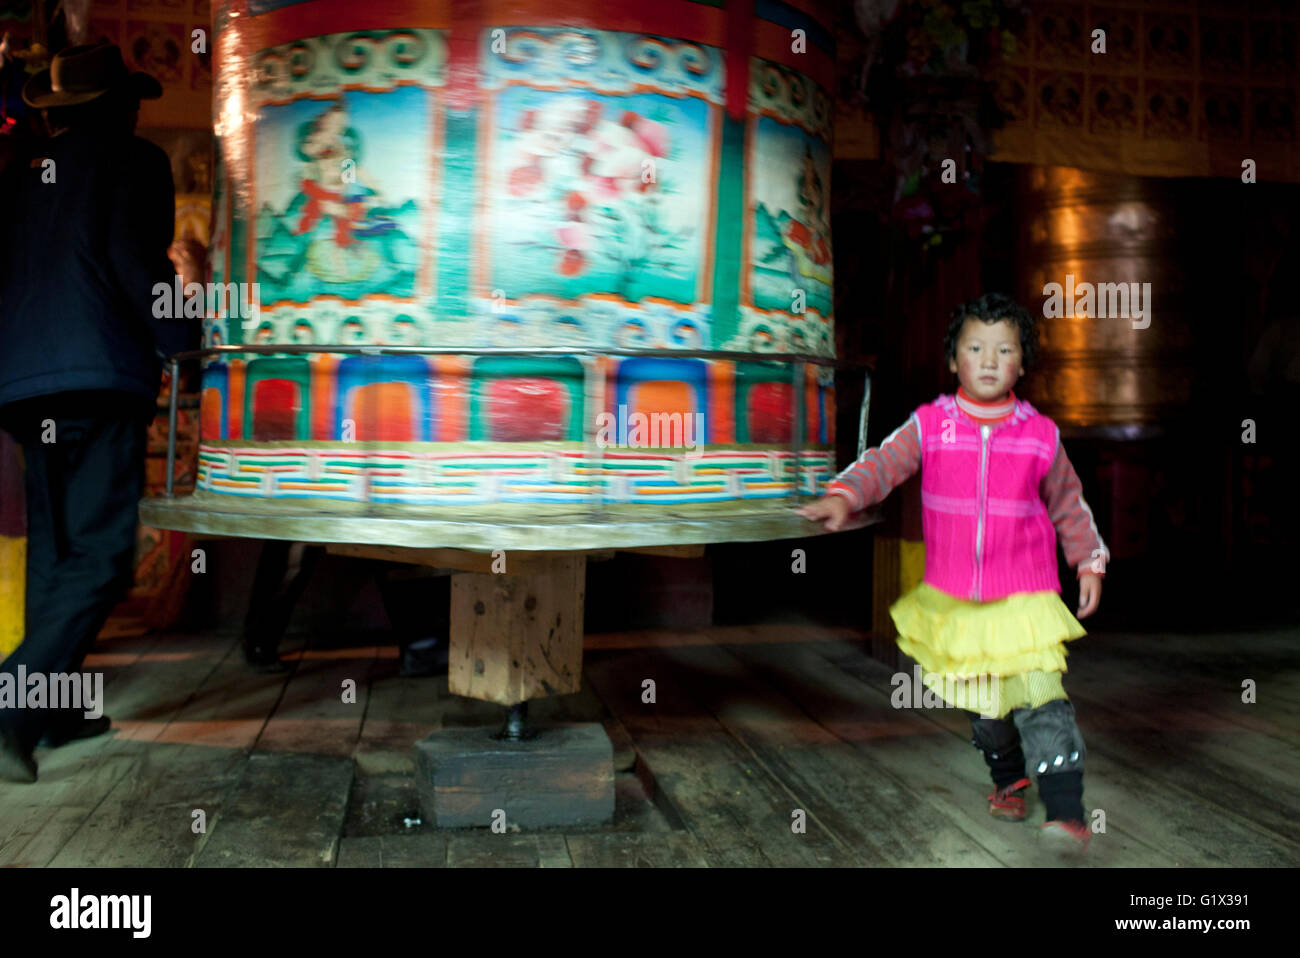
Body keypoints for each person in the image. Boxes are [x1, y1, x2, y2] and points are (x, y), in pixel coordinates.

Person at [798, 293, 1109, 851]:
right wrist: (843, 495)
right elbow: (882, 464)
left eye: (1004, 349)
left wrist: (1088, 558)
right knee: (988, 709)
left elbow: (1068, 501)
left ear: (1021, 363)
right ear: (953, 360)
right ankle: (1007, 779)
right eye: (975, 347)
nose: (989, 360)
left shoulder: (1040, 435)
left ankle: (1065, 808)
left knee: (1043, 697)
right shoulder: (929, 424)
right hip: (959, 599)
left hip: (1025, 595)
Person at [0, 42, 193, 782]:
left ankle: (54, 708)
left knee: (59, 551)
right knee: (104, 554)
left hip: (23, 387)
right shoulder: (135, 161)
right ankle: (13, 709)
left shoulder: (23, 177)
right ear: (115, 106)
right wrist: (182, 342)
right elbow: (138, 265)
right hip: (97, 376)